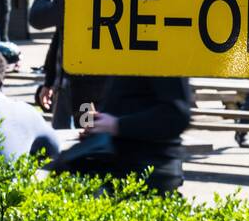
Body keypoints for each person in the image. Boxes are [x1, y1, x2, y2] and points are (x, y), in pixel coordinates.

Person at [61, 75, 194, 192]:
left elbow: (177, 115)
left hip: (148, 168)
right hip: (125, 162)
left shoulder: (159, 54)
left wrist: (116, 125)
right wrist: (101, 126)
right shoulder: (125, 56)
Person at [32, 0, 105, 129]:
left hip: (78, 86)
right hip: (87, 86)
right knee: (86, 134)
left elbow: (37, 18)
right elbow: (58, 40)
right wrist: (49, 81)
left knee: (74, 135)